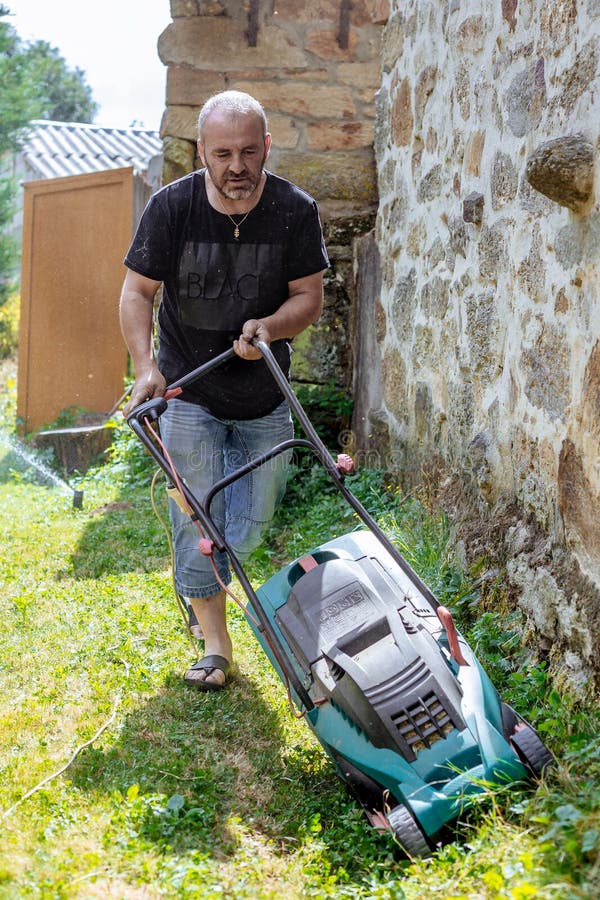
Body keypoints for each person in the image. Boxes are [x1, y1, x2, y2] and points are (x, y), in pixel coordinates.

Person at [120, 90, 329, 691]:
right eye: (221, 153)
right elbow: (137, 292)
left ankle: (200, 582)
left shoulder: (294, 209)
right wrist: (144, 367)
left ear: (266, 146)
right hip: (190, 392)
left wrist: (270, 326)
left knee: (249, 526)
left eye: (247, 151)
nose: (235, 166)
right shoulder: (171, 208)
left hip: (265, 395)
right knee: (201, 519)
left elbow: (307, 297)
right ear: (202, 155)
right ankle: (216, 644)